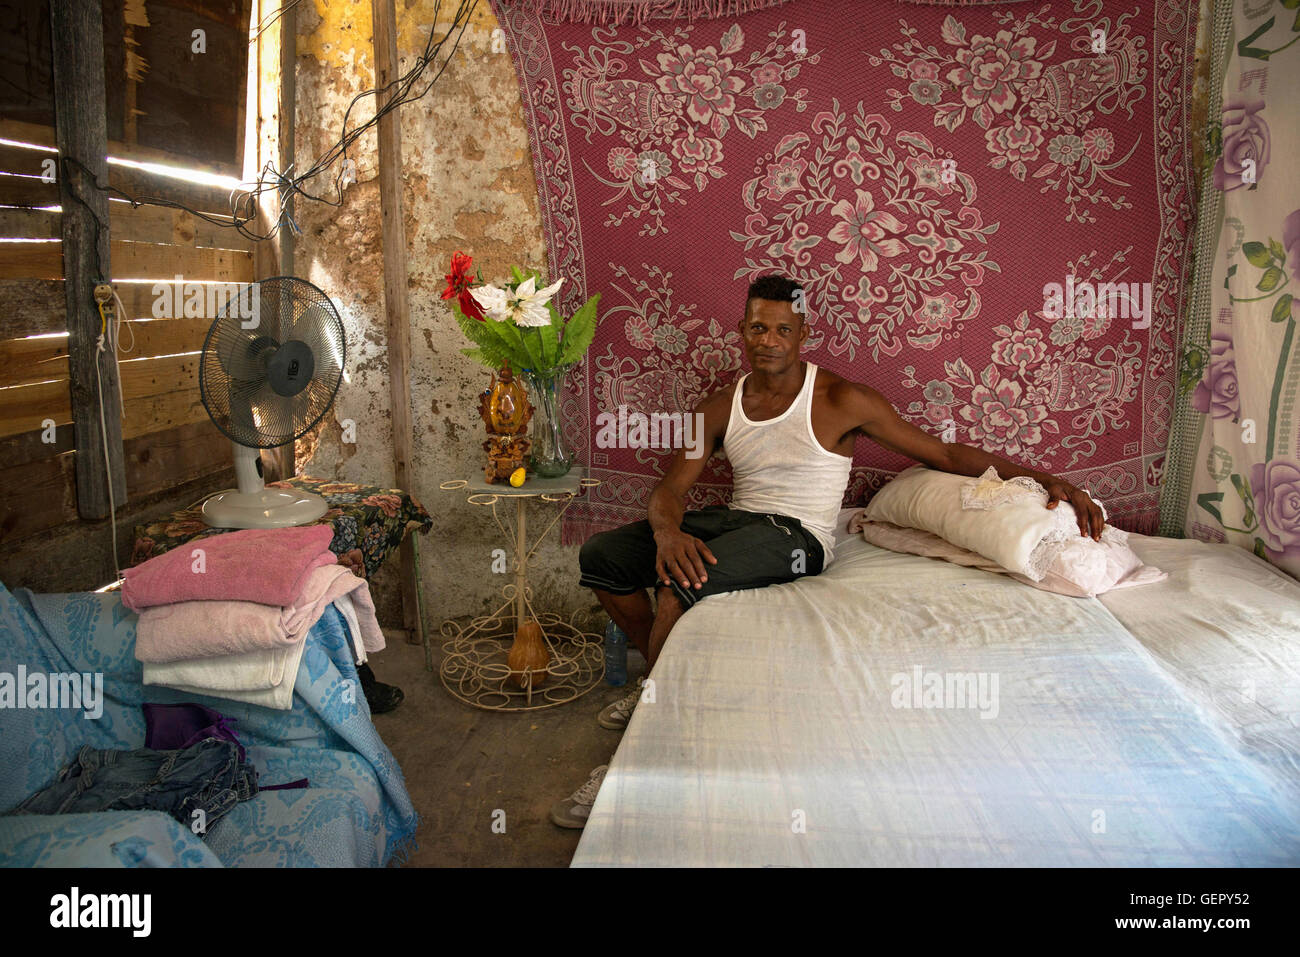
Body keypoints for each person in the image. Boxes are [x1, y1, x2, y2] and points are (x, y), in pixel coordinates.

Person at [548, 274, 1105, 828]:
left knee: (679, 583)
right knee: (602, 555)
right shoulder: (718, 407)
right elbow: (671, 489)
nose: (768, 339)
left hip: (797, 537)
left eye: (782, 330)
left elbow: (944, 453)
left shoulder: (843, 399)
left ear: (802, 334)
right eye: (758, 328)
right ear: (742, 330)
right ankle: (655, 683)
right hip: (735, 521)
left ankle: (633, 760)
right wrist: (669, 533)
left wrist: (1045, 477)